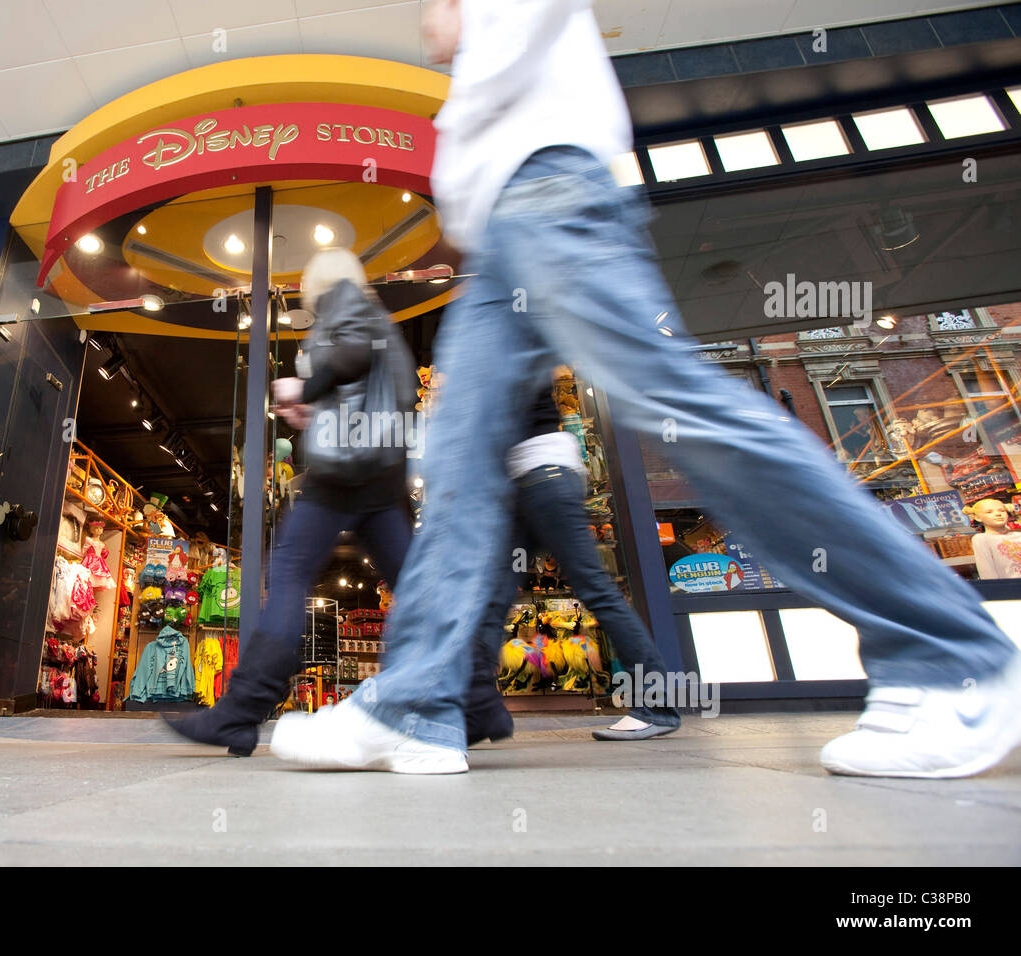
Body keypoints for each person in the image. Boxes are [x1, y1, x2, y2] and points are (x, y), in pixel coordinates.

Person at [268, 0, 1021, 777]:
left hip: (553, 190)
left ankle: (951, 653)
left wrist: (478, 24)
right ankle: (415, 705)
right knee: (457, 464)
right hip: (499, 239)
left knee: (679, 403)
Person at [165, 248, 419, 755]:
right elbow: (392, 386)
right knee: (416, 590)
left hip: (340, 477)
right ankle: (475, 703)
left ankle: (239, 714)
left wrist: (306, 383)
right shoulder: (379, 315)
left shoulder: (345, 302)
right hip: (382, 478)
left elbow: (349, 353)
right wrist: (316, 406)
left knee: (288, 578)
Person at [467, 385, 681, 744]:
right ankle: (480, 712)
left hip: (543, 478)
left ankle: (656, 705)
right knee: (496, 598)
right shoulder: (509, 343)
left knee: (593, 588)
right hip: (534, 479)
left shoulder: (504, 341)